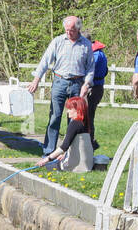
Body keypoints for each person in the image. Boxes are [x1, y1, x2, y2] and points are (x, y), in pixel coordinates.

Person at [27, 15, 94, 156]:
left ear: (78, 29)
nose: (69, 33)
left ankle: (70, 152)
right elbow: (45, 61)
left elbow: (90, 68)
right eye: (67, 30)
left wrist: (87, 84)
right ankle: (49, 151)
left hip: (77, 83)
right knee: (54, 117)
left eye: (72, 30)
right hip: (59, 82)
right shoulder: (58, 41)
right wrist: (36, 80)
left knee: (75, 120)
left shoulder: (86, 45)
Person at [36, 95, 97, 169]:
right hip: (87, 165)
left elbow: (64, 147)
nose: (67, 111)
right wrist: (64, 154)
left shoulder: (74, 124)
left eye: (70, 109)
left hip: (76, 167)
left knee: (48, 167)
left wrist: (47, 159)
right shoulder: (85, 123)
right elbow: (77, 143)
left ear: (77, 110)